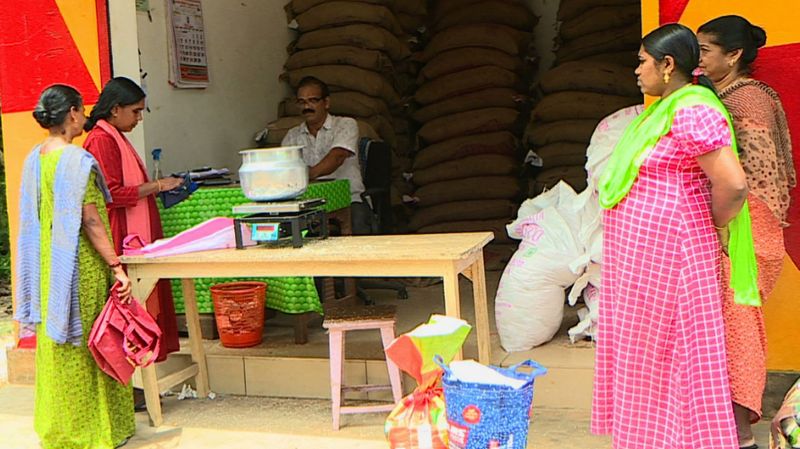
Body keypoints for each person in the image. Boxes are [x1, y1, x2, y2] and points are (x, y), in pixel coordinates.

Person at [594, 23, 760, 449]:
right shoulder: (667, 109)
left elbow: (733, 184)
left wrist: (712, 226)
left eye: (642, 62)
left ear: (667, 64)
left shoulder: (693, 111)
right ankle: (651, 438)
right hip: (649, 261)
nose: (637, 71)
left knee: (675, 352)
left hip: (675, 256)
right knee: (648, 353)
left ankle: (684, 440)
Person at [14, 84, 135, 448]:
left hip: (48, 267)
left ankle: (59, 430)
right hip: (80, 267)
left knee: (57, 346)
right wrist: (116, 265)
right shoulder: (76, 161)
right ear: (71, 113)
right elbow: (91, 220)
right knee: (93, 344)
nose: (84, 117)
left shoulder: (35, 158)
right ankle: (97, 430)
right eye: (82, 110)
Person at [698, 16, 796, 449]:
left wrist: (720, 228)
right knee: (722, 329)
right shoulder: (719, 95)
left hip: (747, 230)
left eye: (705, 50)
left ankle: (740, 433)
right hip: (735, 227)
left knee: (738, 330)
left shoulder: (747, 100)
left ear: (734, 55)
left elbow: (750, 180)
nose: (697, 59)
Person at [83, 77, 182, 369]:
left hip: (130, 230)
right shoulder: (102, 139)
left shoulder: (113, 134)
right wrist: (158, 186)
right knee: (129, 306)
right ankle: (131, 373)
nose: (139, 118)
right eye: (136, 111)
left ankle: (141, 372)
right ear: (115, 109)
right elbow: (113, 194)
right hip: (120, 232)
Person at [281, 76, 370, 234]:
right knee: (283, 231)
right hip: (309, 204)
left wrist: (306, 175)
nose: (307, 106)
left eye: (313, 100)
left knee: (359, 232)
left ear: (326, 103)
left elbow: (337, 156)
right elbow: (285, 170)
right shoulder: (292, 136)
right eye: (302, 102)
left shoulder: (345, 124)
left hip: (349, 199)